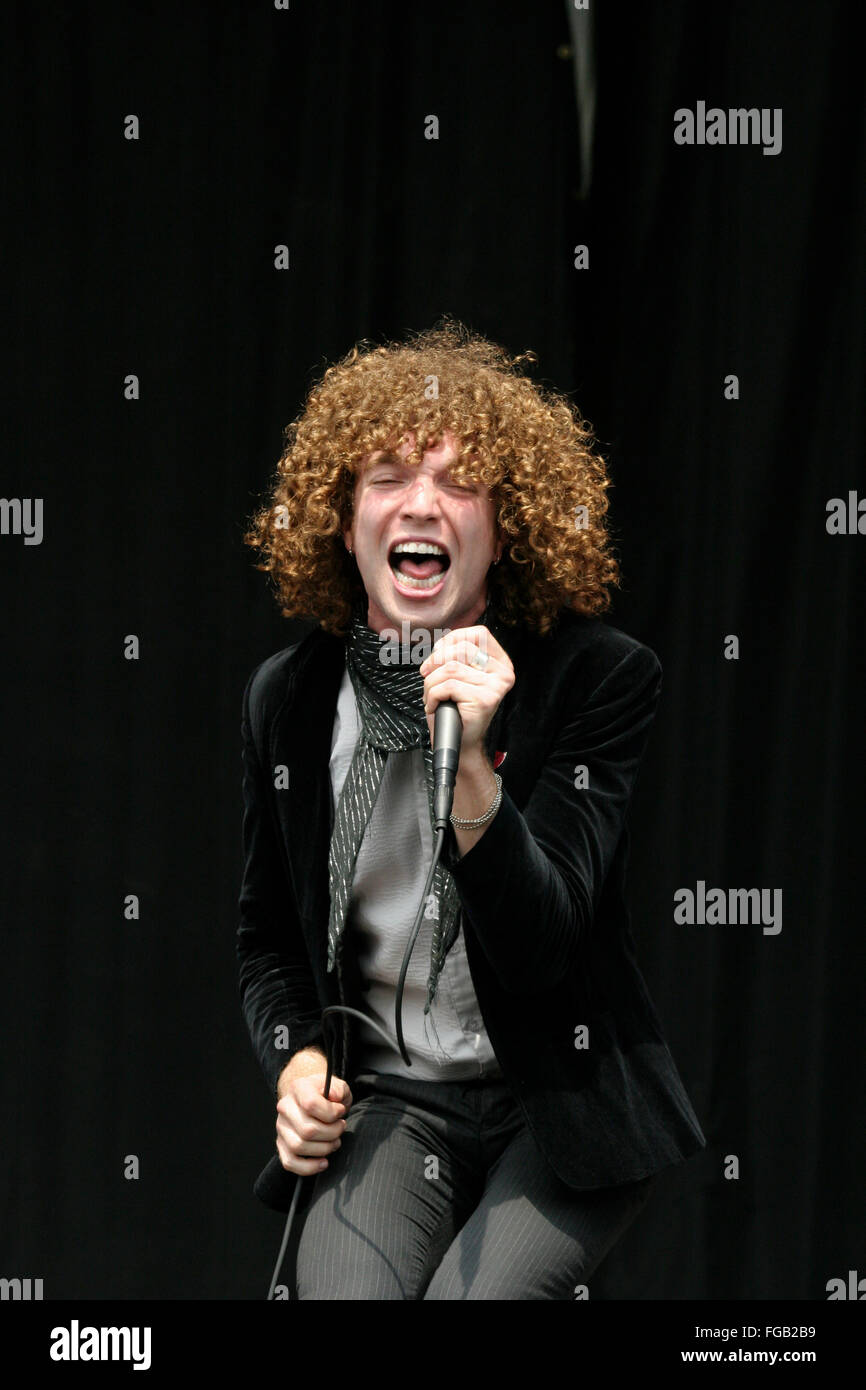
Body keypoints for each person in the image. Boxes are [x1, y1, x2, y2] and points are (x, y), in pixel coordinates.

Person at [237, 319, 705, 1300]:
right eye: (388, 478)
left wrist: (473, 774)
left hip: (562, 1099)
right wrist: (294, 1064)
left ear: (504, 526)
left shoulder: (595, 677)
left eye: (459, 483)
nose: (423, 505)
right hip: (394, 1100)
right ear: (341, 514)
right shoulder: (286, 696)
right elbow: (269, 942)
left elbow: (543, 941)